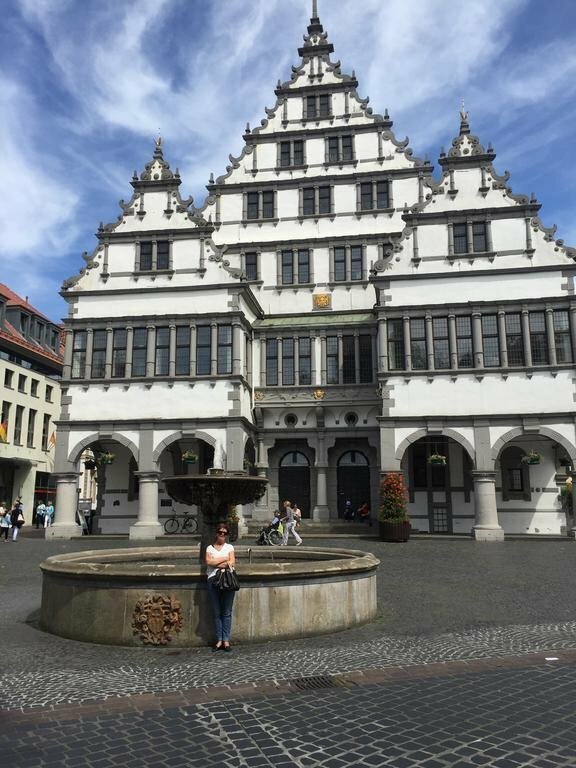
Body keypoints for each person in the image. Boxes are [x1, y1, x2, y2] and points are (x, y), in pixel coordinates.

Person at [205, 525, 236, 652]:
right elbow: (208, 562)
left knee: (227, 612)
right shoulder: (209, 548)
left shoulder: (230, 547)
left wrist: (216, 561)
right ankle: (219, 640)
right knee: (217, 612)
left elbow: (232, 562)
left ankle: (226, 640)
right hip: (213, 580)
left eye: (225, 533)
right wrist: (224, 559)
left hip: (228, 580)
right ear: (216, 533)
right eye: (220, 532)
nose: (222, 535)